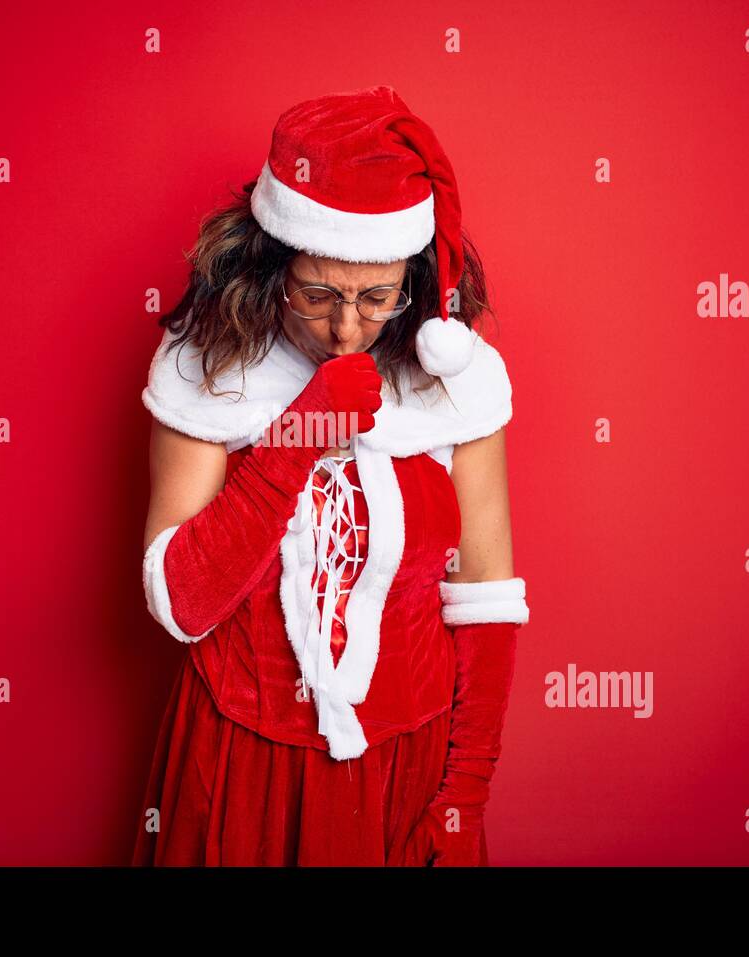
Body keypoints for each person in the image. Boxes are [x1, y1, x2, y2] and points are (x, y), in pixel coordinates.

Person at [132, 85, 531, 866]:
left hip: (405, 773)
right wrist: (301, 431)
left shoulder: (457, 381)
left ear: (413, 285)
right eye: (317, 294)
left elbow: (483, 595)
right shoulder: (207, 369)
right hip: (241, 762)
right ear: (272, 263)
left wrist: (465, 795)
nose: (346, 326)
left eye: (377, 296)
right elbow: (183, 603)